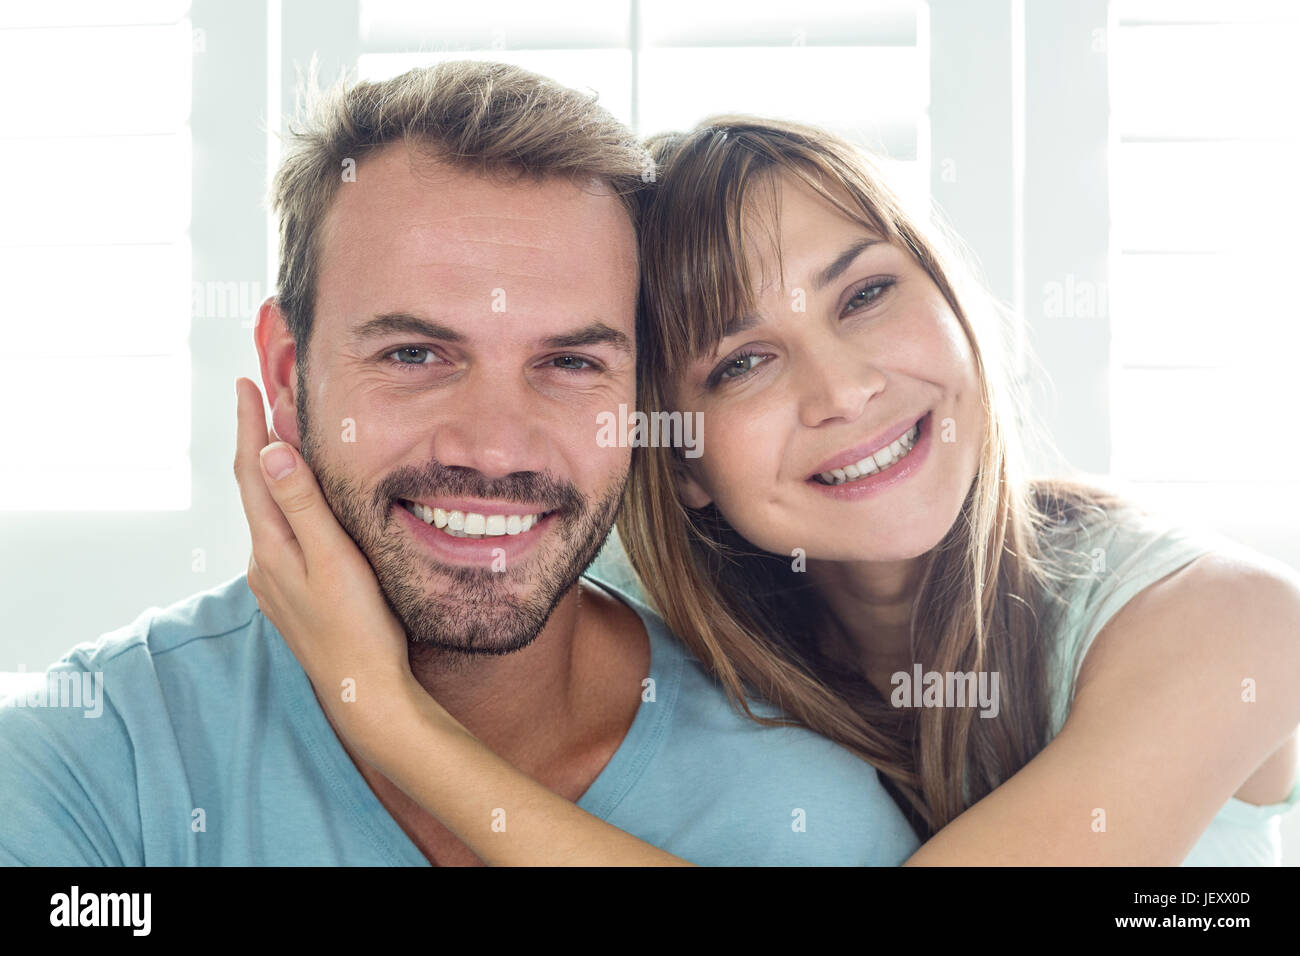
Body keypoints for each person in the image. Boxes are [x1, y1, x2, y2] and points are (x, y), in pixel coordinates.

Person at [233, 111, 1300, 866]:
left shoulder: (1227, 624)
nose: (845, 389)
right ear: (678, 457)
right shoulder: (641, 596)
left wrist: (389, 719)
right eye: (742, 360)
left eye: (868, 292)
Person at [0, 64, 921, 867]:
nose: (492, 447)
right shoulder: (91, 761)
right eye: (414, 355)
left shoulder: (803, 816)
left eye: (569, 363)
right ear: (288, 373)